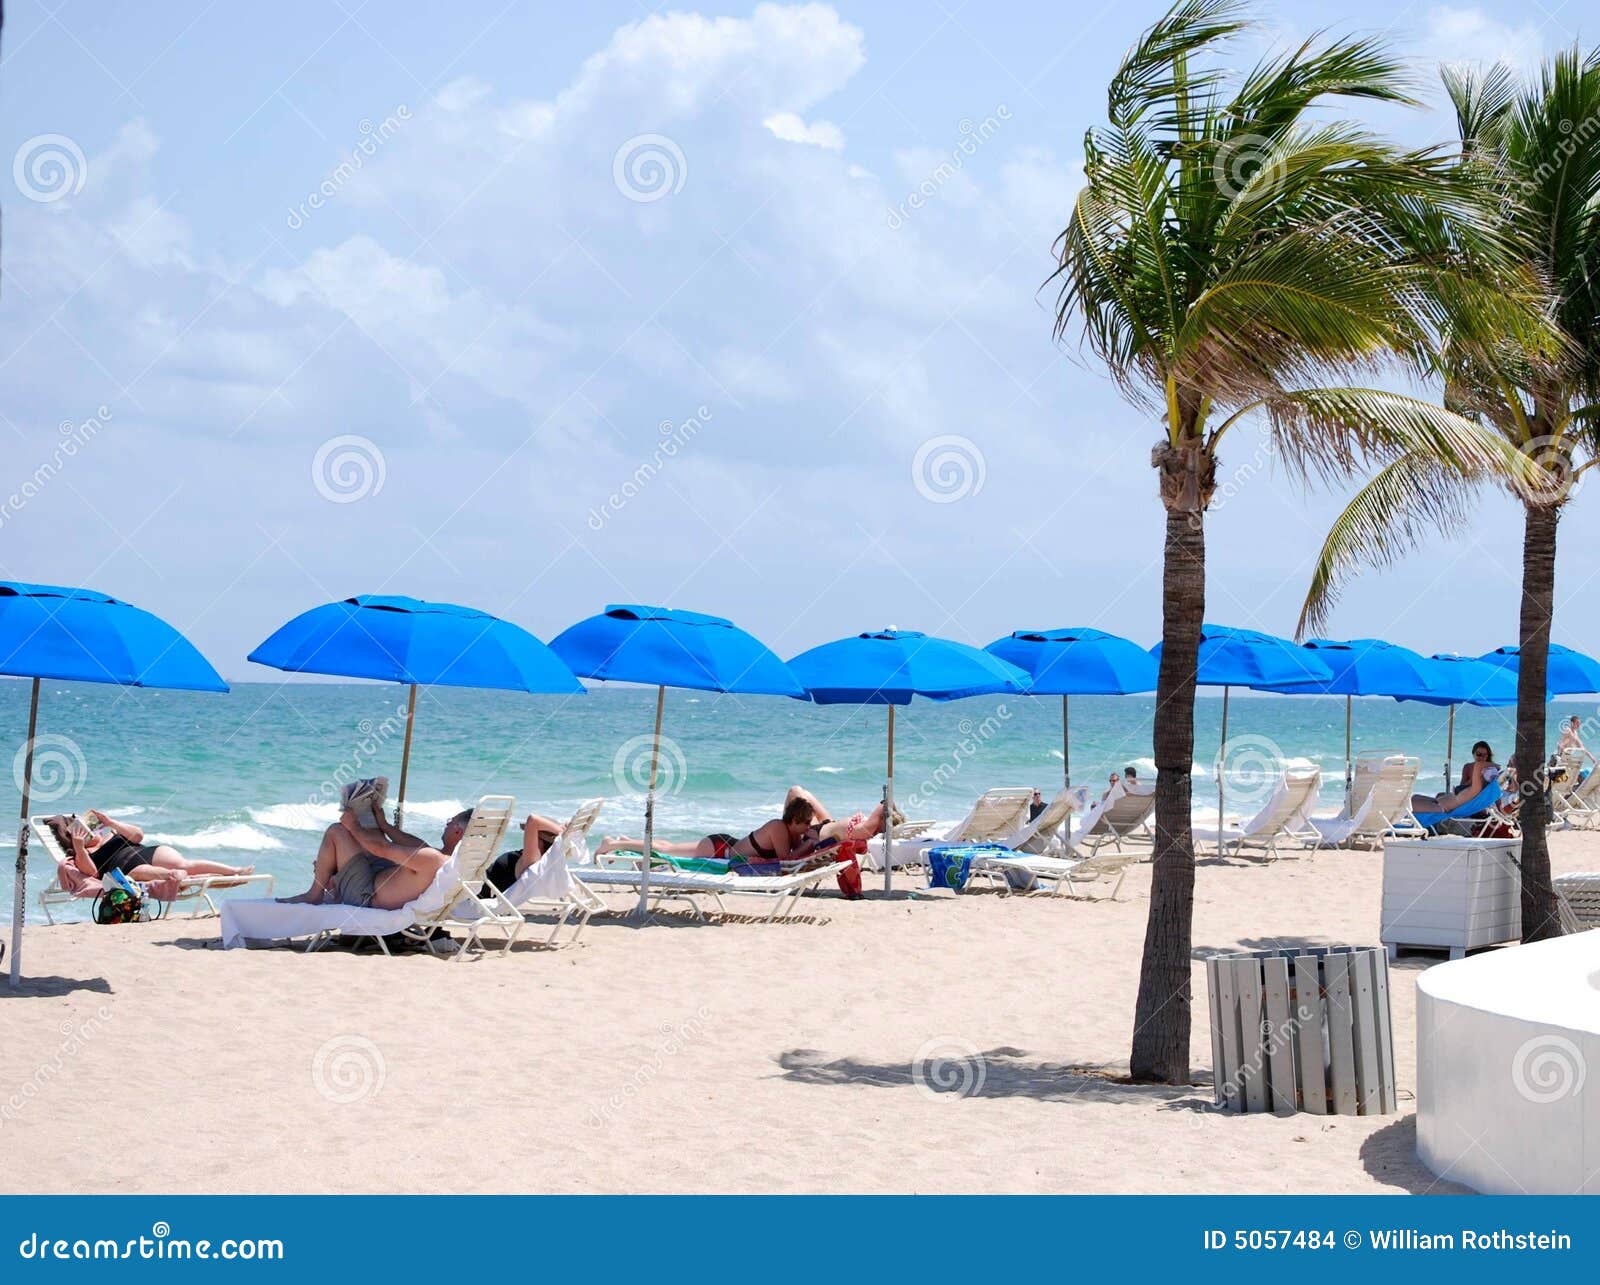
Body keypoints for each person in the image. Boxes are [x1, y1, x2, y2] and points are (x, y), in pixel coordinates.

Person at [280, 806, 449, 908]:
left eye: (451, 821)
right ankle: (334, 879)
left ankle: (314, 895)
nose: (447, 824)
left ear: (458, 831)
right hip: (380, 876)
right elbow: (419, 848)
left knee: (337, 831)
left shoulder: (432, 858)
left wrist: (353, 826)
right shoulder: (446, 861)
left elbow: (382, 849)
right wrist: (384, 826)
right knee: (371, 834)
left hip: (366, 894)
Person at [597, 795, 819, 870]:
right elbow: (785, 860)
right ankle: (612, 845)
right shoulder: (779, 828)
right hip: (719, 849)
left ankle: (627, 841)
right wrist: (810, 843)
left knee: (670, 846)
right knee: (668, 850)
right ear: (794, 820)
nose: (808, 826)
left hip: (725, 845)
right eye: (806, 822)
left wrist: (805, 840)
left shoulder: (792, 832)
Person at [46, 810, 255, 883]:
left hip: (145, 851)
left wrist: (111, 823)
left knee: (184, 863)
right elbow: (91, 873)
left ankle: (234, 871)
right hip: (126, 869)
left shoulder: (110, 832)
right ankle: (187, 878)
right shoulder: (83, 853)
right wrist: (79, 845)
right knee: (170, 872)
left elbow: (138, 835)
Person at [456, 810, 566, 894]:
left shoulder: (531, 861)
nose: (526, 834)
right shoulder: (540, 859)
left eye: (529, 832)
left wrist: (560, 831)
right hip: (473, 883)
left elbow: (533, 820)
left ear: (539, 838)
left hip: (473, 893)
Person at [1412, 740, 1499, 814]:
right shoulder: (1473, 789)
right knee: (1414, 797)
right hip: (1439, 803)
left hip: (1441, 807)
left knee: (1408, 804)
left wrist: (1494, 765)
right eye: (1479, 754)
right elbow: (1478, 767)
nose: (1482, 757)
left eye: (1485, 755)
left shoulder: (1475, 789)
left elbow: (1478, 765)